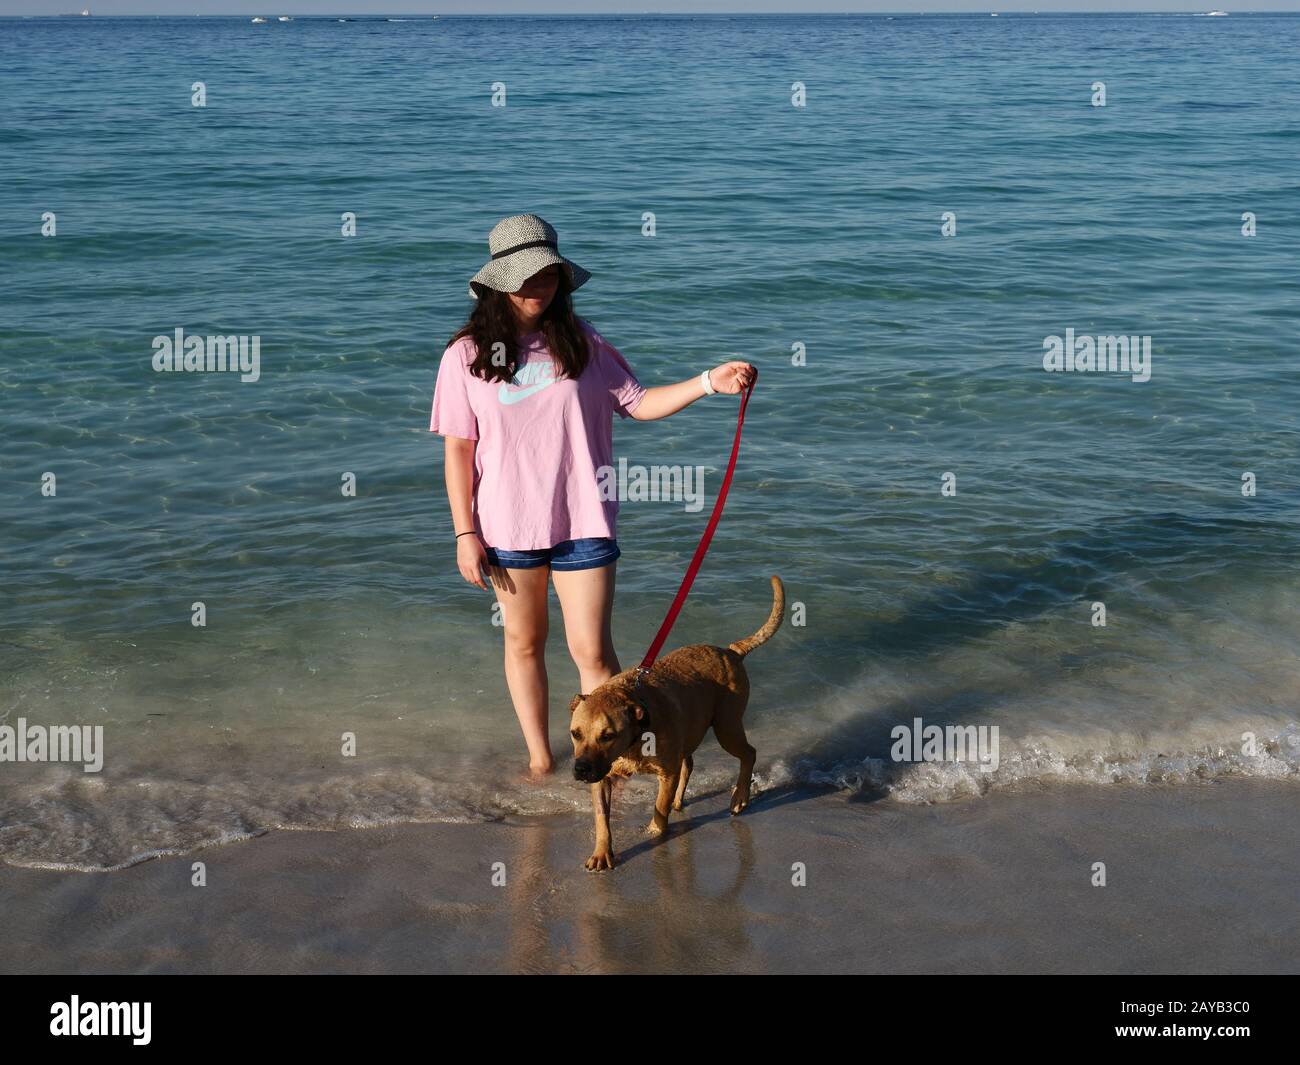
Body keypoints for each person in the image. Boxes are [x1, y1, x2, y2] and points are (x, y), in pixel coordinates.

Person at [429, 213, 755, 779]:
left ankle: (619, 758)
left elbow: (639, 402)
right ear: (498, 281)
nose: (540, 286)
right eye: (527, 277)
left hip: (584, 519)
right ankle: (539, 759)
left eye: (549, 275)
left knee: (595, 656)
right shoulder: (466, 356)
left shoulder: (582, 343)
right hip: (507, 526)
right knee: (525, 644)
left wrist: (708, 382)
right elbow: (459, 450)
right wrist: (465, 533)